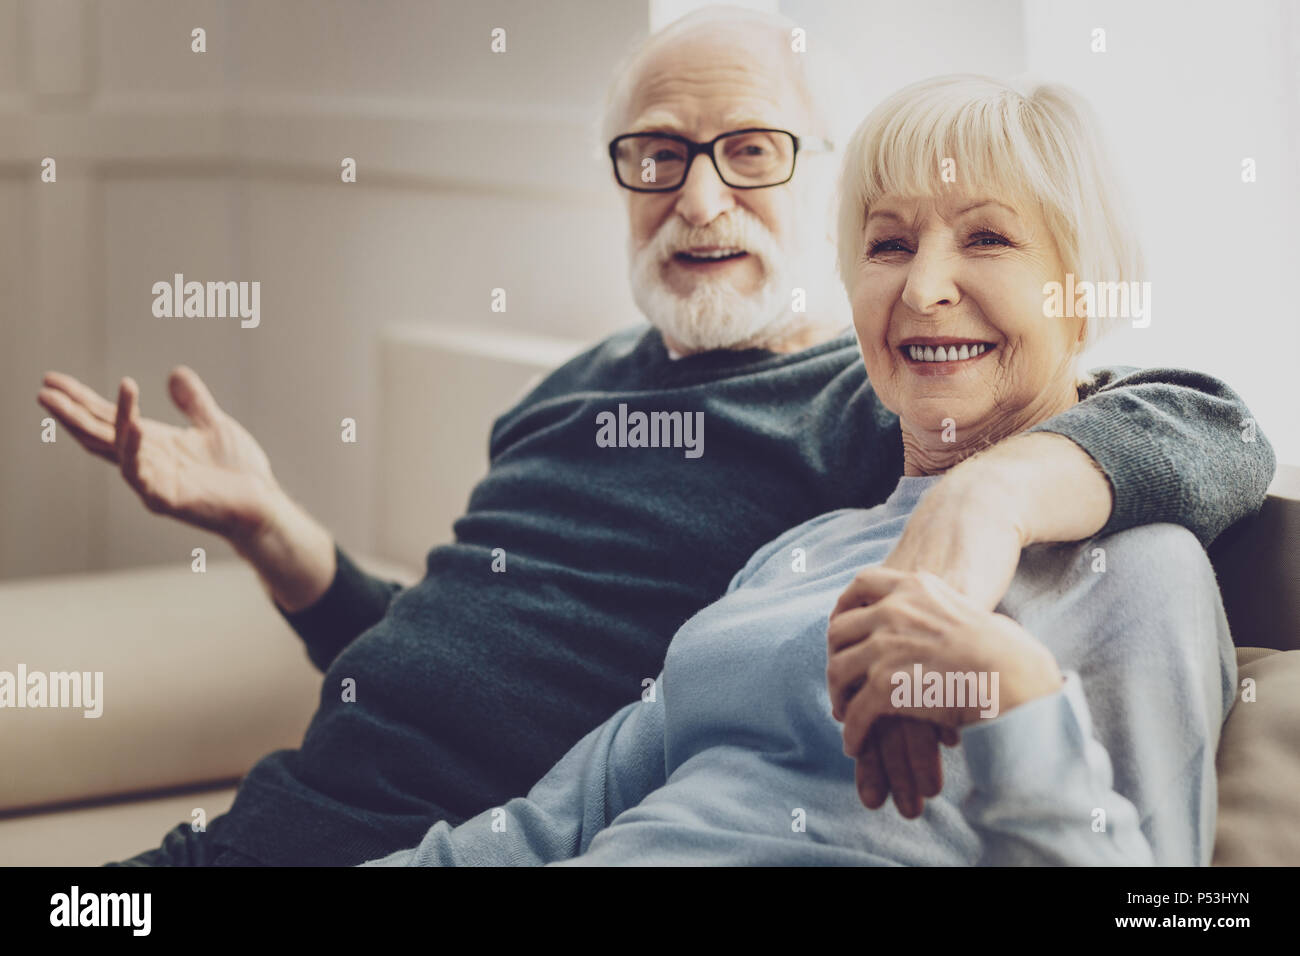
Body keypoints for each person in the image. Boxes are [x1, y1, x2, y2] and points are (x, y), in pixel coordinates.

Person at [36, 8, 1269, 866]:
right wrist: (279, 535)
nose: (698, 195)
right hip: (280, 829)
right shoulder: (594, 414)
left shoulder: (864, 400)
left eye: (749, 150)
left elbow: (1200, 418)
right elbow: (455, 664)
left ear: (816, 180)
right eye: (658, 155)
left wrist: (984, 504)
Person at [367, 74, 1236, 867]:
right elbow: (549, 824)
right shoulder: (800, 549)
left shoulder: (1137, 568)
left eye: (987, 238)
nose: (924, 287)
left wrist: (1016, 702)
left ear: (1084, 292)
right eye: (889, 245)